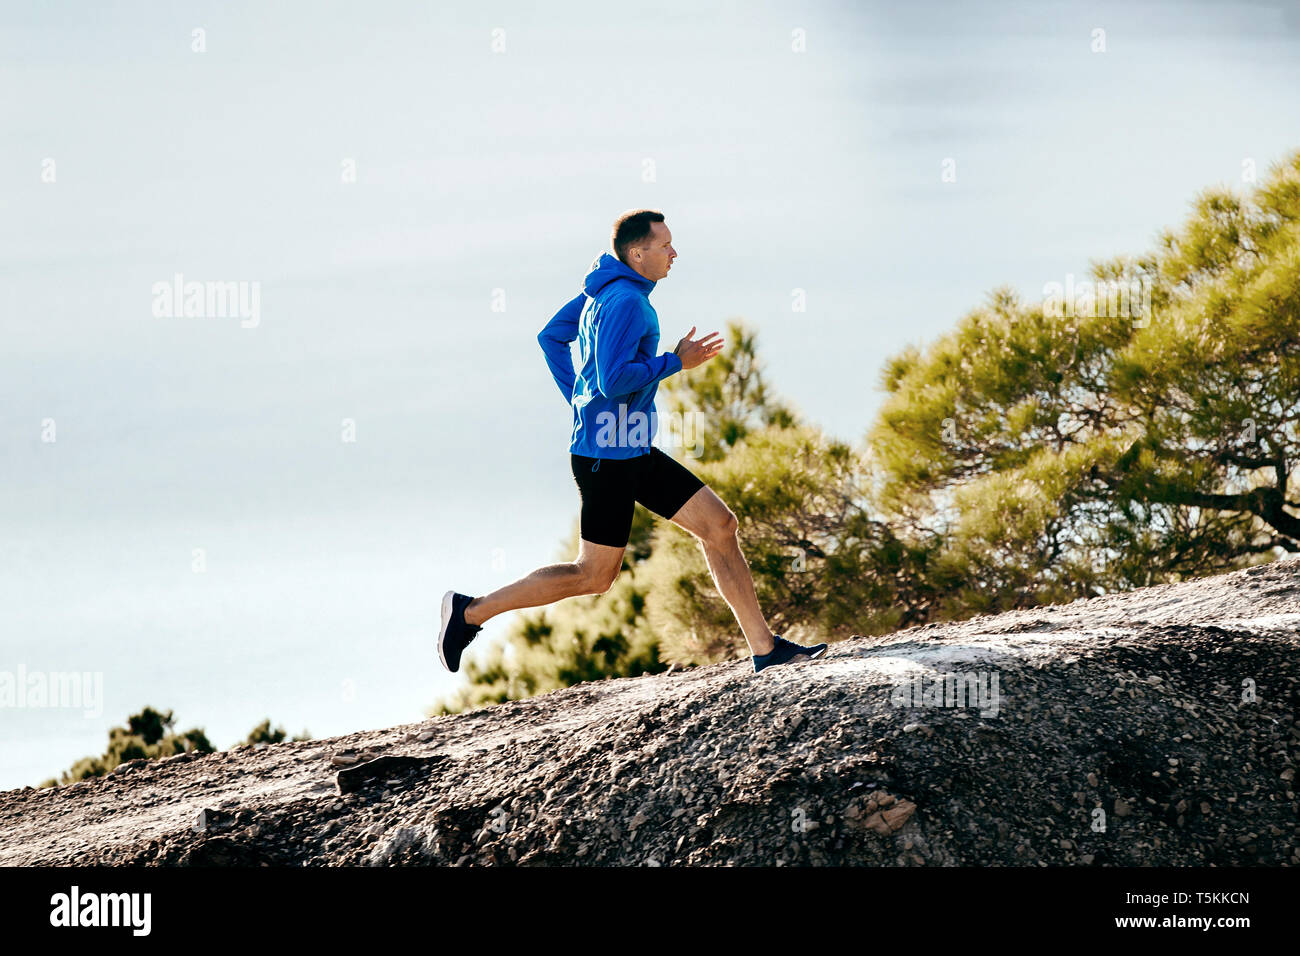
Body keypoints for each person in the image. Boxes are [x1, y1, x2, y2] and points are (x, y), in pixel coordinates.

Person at [438, 209, 827, 676]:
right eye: (665, 246)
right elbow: (613, 378)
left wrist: (580, 403)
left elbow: (551, 338)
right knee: (594, 575)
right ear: (637, 253)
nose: (674, 253)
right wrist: (674, 362)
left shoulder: (603, 291)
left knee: (720, 526)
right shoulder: (625, 301)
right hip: (607, 459)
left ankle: (765, 649)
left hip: (628, 446)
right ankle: (468, 613)